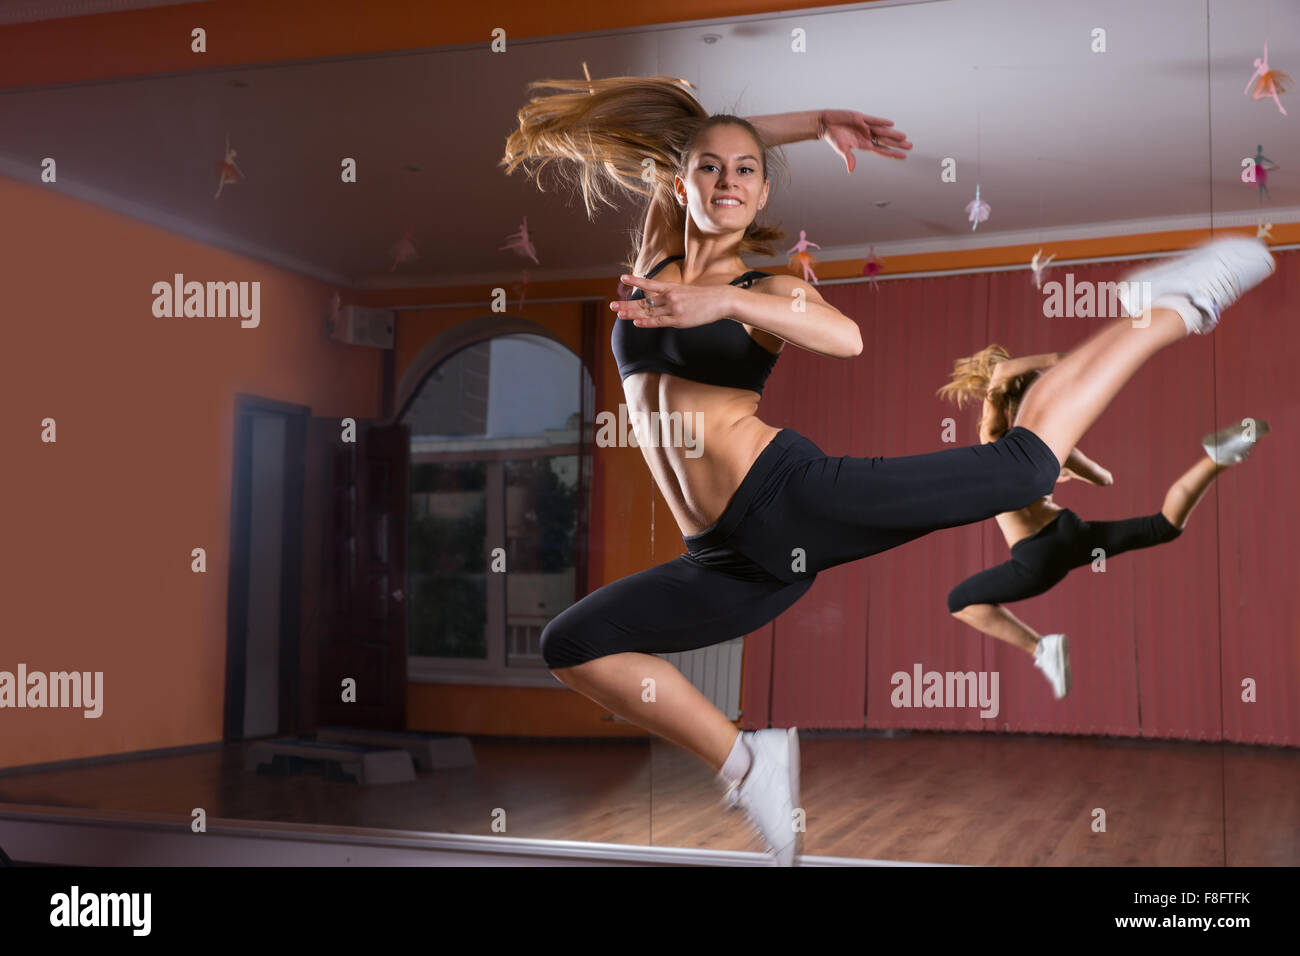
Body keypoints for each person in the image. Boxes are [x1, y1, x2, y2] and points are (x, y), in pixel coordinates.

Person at [499, 72, 1277, 865]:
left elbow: (845, 340)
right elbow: (709, 139)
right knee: (573, 643)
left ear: (763, 196)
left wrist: (727, 305)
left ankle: (1179, 308)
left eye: (746, 172)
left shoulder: (765, 288)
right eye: (710, 168)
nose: (726, 180)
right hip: (726, 562)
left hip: (785, 501)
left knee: (1019, 470)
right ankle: (749, 762)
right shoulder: (656, 257)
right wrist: (810, 121)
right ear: (680, 180)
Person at [939, 346, 1271, 697]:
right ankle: (1217, 459)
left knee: (959, 601)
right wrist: (1065, 470)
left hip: (1037, 556)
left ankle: (1041, 648)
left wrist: (1053, 361)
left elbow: (1001, 373)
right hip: (1071, 532)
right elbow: (1104, 479)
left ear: (1006, 405)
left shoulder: (994, 440)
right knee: (1162, 526)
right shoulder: (1054, 443)